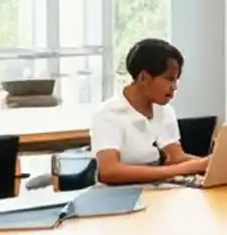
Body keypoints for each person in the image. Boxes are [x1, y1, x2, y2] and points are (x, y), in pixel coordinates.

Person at [90, 39, 210, 184]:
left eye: (176, 81)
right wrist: (183, 169)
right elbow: (109, 171)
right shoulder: (108, 114)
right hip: (119, 199)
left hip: (159, 194)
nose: (174, 87)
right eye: (169, 79)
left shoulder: (165, 110)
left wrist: (213, 164)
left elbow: (176, 158)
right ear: (143, 78)